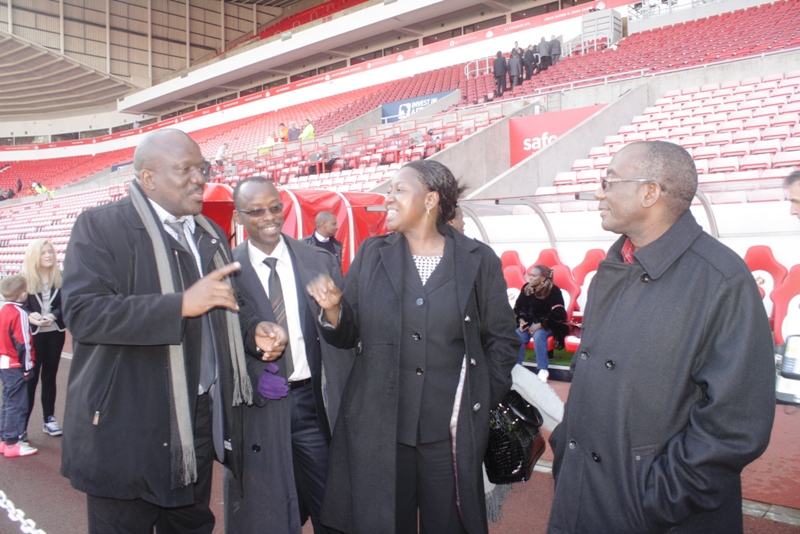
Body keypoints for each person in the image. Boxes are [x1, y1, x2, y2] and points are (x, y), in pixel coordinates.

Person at [61, 129, 287, 533]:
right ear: (148, 178)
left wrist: (255, 332)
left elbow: (229, 305)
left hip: (193, 420)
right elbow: (83, 313)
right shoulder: (101, 226)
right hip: (126, 424)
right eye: (185, 169)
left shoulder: (209, 234)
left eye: (202, 168)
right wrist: (179, 305)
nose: (199, 178)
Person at [548, 141, 775, 533]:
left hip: (653, 514)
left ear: (649, 192)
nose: (598, 192)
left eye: (609, 181)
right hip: (581, 499)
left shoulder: (721, 280)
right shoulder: (613, 266)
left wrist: (653, 500)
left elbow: (735, 425)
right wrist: (566, 456)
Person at [306, 159, 519, 534]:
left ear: (431, 199)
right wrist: (335, 310)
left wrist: (481, 394)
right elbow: (346, 334)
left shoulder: (478, 260)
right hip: (381, 429)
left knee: (450, 524)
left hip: (449, 434)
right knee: (384, 522)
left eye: (399, 190)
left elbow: (502, 340)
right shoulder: (373, 253)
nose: (388, 198)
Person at [224, 177, 355, 534]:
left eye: (274, 207)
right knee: (269, 515)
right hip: (257, 412)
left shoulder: (319, 260)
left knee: (334, 509)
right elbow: (222, 342)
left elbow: (347, 336)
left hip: (313, 406)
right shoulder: (225, 270)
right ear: (239, 217)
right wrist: (254, 373)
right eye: (256, 211)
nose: (268, 217)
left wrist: (333, 312)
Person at [21, 239, 66, 438]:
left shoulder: (61, 277)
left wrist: (53, 315)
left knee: (49, 377)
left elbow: (68, 302)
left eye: (50, 252)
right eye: (43, 252)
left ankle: (49, 419)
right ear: (34, 256)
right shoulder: (24, 279)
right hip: (33, 335)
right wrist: (32, 316)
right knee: (30, 379)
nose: (48, 255)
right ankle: (21, 424)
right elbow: (19, 305)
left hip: (55, 333)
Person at [0, 275, 37, 458]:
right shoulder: (19, 313)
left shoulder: (3, 310)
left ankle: (4, 438)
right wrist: (27, 367)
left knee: (7, 401)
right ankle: (12, 442)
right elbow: (24, 343)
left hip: (4, 362)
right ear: (22, 294)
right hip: (15, 363)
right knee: (17, 403)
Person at [513, 265, 565, 382]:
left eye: (534, 276)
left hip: (547, 325)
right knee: (518, 335)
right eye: (530, 275)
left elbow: (559, 313)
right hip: (528, 324)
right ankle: (516, 367)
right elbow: (517, 309)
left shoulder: (554, 291)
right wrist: (521, 321)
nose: (530, 278)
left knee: (539, 335)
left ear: (543, 279)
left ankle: (542, 369)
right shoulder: (526, 288)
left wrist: (540, 325)